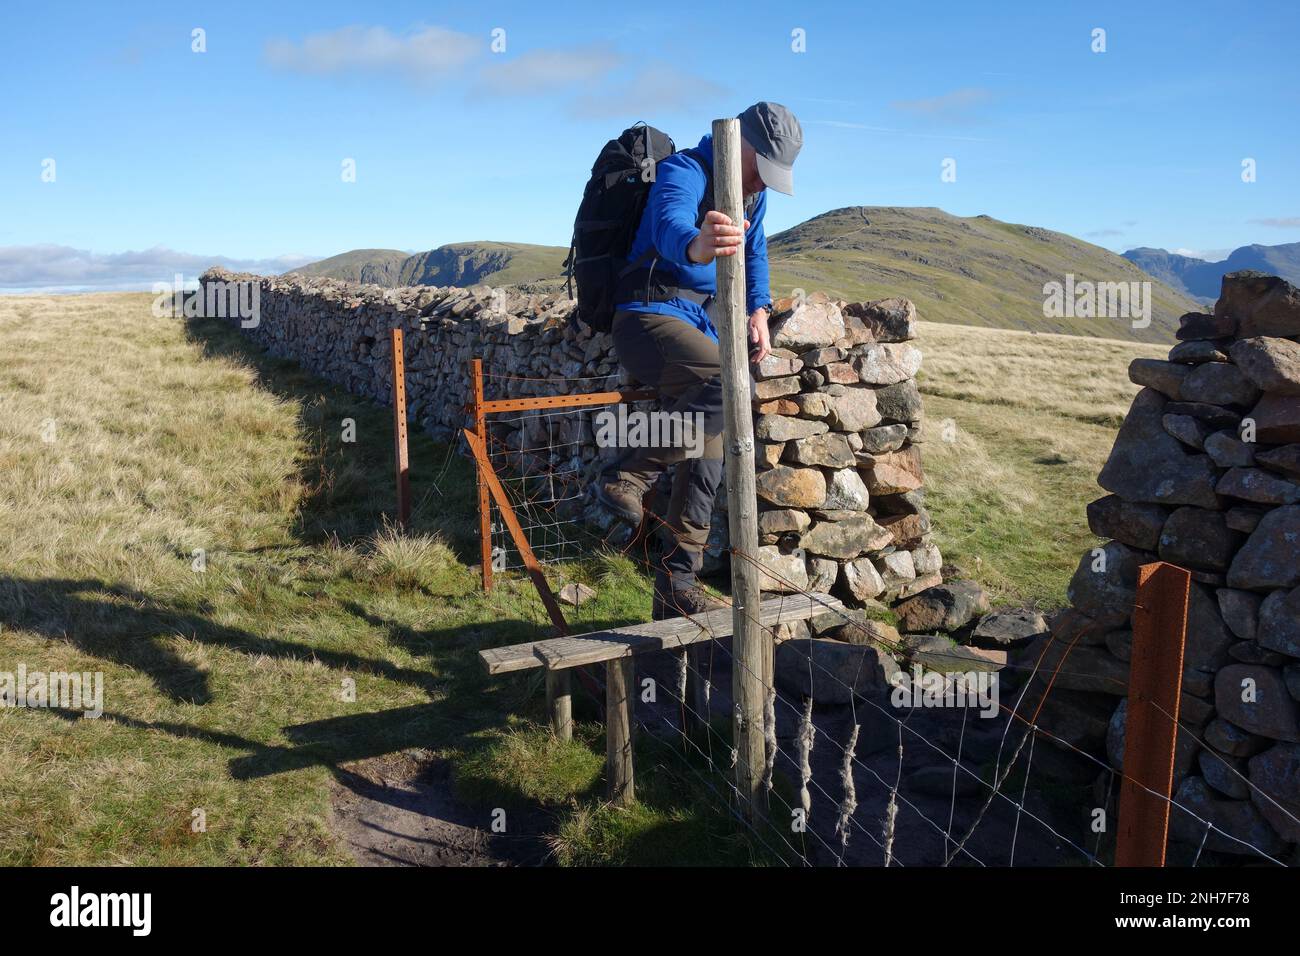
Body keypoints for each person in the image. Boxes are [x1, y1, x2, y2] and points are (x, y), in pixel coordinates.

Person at [595, 101, 803, 616]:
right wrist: (696, 245)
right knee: (726, 386)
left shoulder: (751, 198)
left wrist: (757, 308)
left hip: (699, 326)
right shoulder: (685, 170)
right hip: (647, 318)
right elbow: (667, 222)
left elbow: (755, 255)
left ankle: (677, 583)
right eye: (763, 168)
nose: (764, 183)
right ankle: (628, 473)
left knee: (706, 462)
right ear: (742, 146)